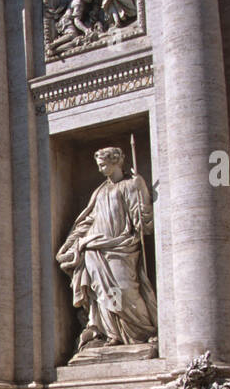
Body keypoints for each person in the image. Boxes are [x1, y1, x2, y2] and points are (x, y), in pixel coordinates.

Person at [57, 147, 157, 351]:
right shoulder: (100, 191)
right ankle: (112, 334)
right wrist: (68, 245)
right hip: (94, 247)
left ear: (116, 162)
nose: (101, 169)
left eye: (104, 165)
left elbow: (144, 223)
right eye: (99, 166)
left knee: (125, 289)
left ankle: (144, 331)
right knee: (103, 292)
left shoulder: (130, 185)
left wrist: (142, 191)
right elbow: (86, 222)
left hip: (121, 246)